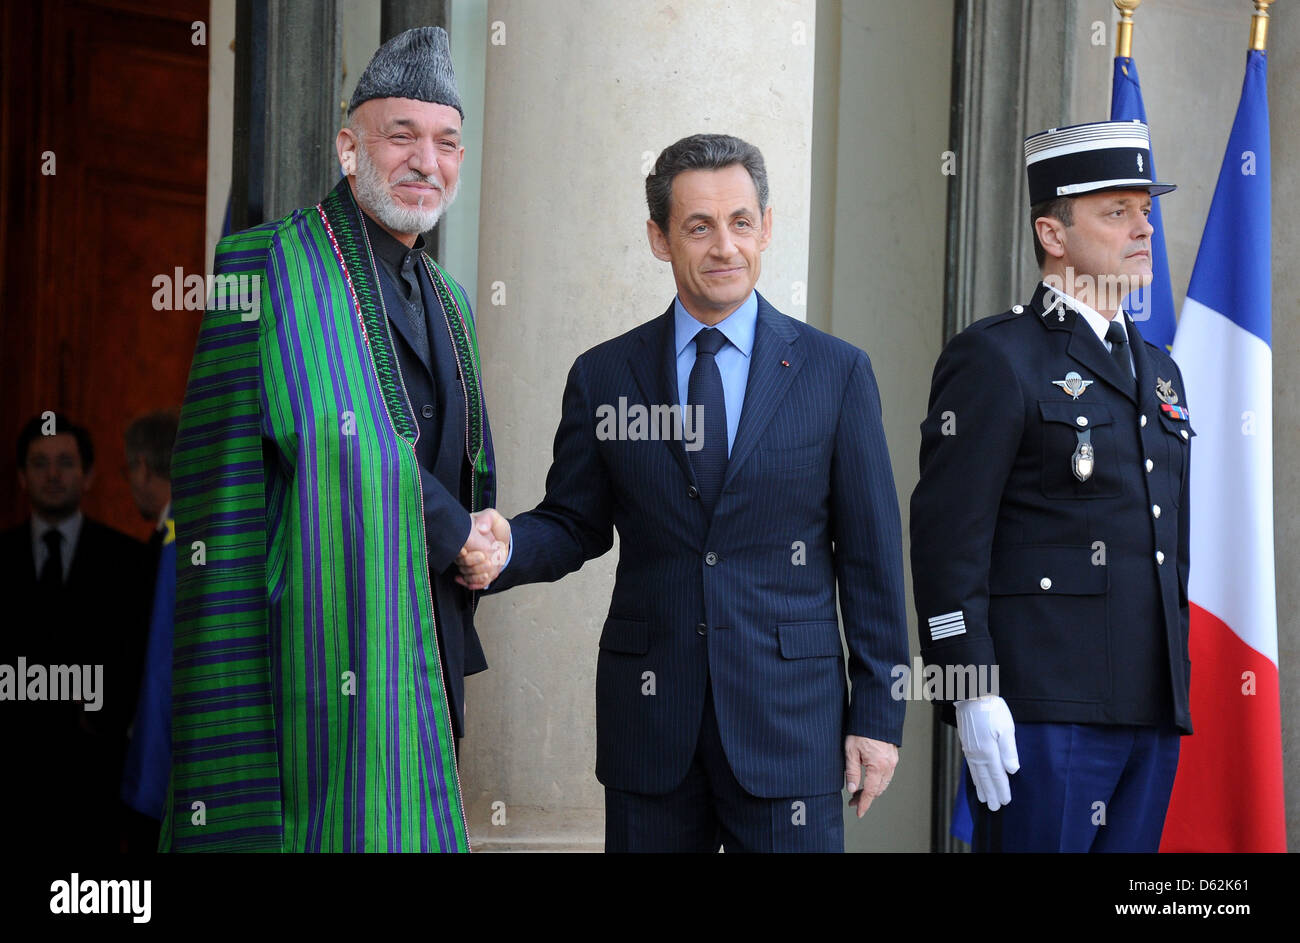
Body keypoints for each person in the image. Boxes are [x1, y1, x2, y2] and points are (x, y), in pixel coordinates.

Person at [460, 133, 909, 853]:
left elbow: (874, 563)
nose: (724, 245)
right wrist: (505, 546)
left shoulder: (835, 374)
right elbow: (575, 522)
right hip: (652, 727)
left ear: (766, 226)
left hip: (789, 726)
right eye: (698, 226)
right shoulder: (604, 376)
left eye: (740, 221)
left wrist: (880, 720)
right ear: (659, 239)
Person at [163, 26, 499, 852]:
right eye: (402, 135)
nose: (427, 159)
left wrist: (485, 533)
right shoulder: (265, 264)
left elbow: (458, 457)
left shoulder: (452, 300)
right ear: (349, 147)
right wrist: (459, 530)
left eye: (447, 141)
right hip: (311, 656)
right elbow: (260, 462)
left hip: (427, 654)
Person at [910, 119, 1192, 852]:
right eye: (1116, 211)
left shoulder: (1160, 370)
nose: (1143, 229)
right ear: (1053, 233)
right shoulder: (997, 358)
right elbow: (948, 541)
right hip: (1043, 709)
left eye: (1146, 211)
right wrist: (968, 687)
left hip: (1149, 704)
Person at [0, 412, 150, 849]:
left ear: (88, 476)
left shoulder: (129, 561)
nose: (52, 474)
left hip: (97, 786)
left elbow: (137, 666)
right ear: (22, 477)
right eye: (39, 462)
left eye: (65, 462)